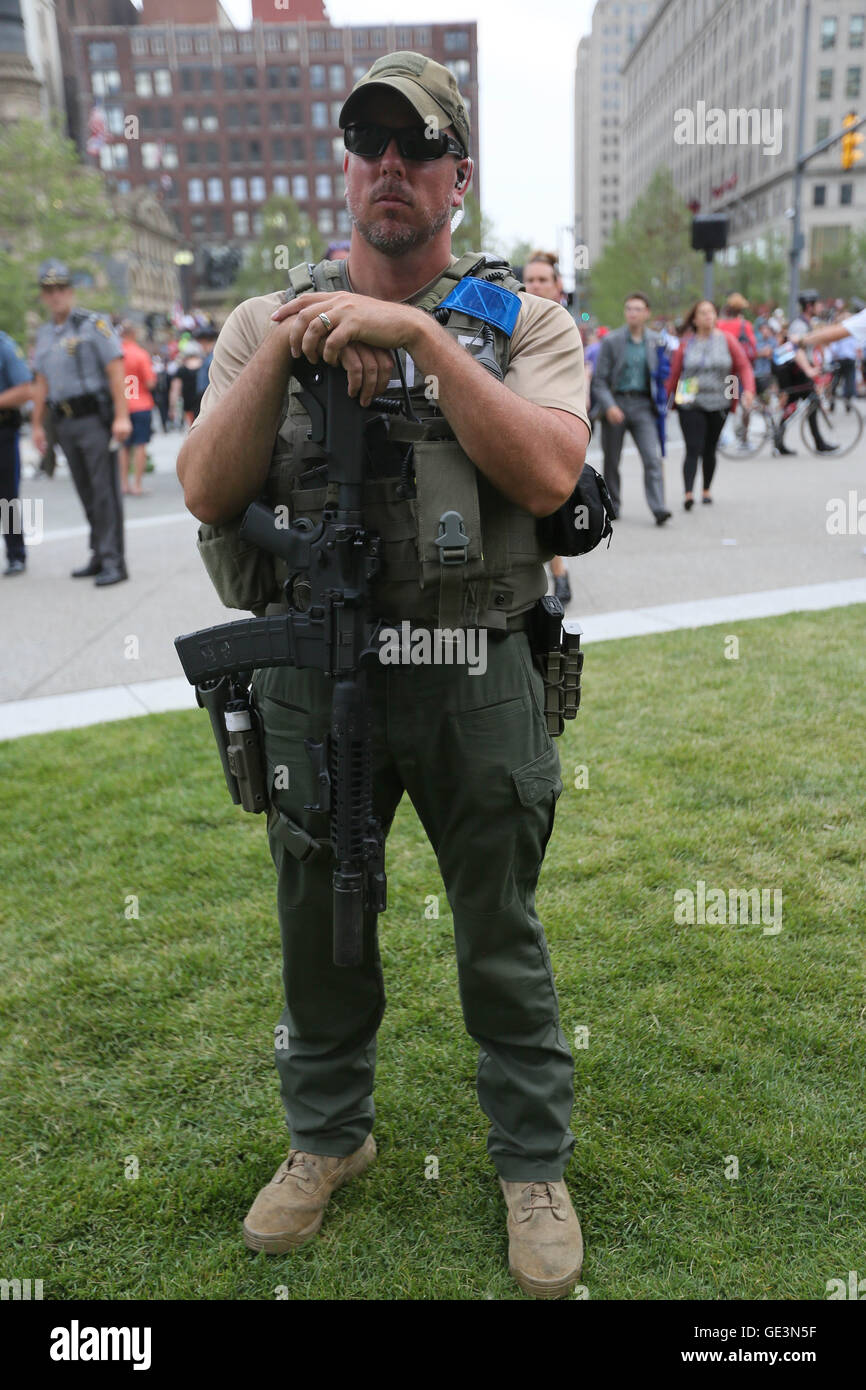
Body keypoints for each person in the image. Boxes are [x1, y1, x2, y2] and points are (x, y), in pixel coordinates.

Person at [177, 50, 591, 1300]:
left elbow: (548, 477)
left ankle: (530, 1160)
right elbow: (206, 487)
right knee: (319, 928)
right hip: (317, 669)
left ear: (456, 175)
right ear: (344, 169)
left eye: (415, 147)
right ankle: (327, 1136)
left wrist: (414, 335)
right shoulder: (264, 321)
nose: (389, 167)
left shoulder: (527, 322)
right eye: (368, 146)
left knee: (499, 933)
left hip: (474, 672)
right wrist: (297, 348)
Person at [30, 260, 130, 585]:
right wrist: (36, 425)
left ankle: (114, 561)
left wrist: (122, 415)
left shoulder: (92, 324)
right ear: (43, 296)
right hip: (62, 422)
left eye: (60, 288)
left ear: (70, 291)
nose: (55, 295)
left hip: (93, 419)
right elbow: (41, 383)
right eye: (49, 290)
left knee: (104, 492)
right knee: (86, 491)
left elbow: (116, 369)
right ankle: (99, 554)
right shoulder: (44, 334)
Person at [592, 292, 672, 525]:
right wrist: (609, 406)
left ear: (647, 313)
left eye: (638, 309)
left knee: (652, 458)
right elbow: (599, 380)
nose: (633, 313)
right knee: (612, 460)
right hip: (616, 403)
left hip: (643, 405)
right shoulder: (611, 341)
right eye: (629, 308)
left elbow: (662, 376)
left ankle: (659, 508)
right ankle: (613, 504)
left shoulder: (657, 341)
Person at [665, 299, 755, 506]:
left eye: (711, 312)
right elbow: (674, 375)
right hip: (689, 399)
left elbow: (744, 367)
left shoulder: (728, 340)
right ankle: (688, 493)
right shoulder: (686, 344)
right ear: (694, 319)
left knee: (709, 447)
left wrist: (748, 390)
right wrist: (663, 403)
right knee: (693, 446)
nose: (708, 316)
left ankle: (706, 489)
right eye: (703, 313)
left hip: (719, 400)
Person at [522, 250, 573, 604]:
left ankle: (559, 570)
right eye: (530, 279)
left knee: (552, 500)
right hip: (517, 424)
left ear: (558, 287)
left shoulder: (564, 324)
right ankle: (553, 570)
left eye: (543, 280)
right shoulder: (511, 319)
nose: (536, 286)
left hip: (556, 425)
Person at [769, 320, 838, 455]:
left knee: (798, 405)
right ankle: (818, 443)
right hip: (792, 374)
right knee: (804, 404)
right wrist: (808, 370)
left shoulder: (801, 326)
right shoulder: (798, 328)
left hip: (793, 374)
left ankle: (780, 442)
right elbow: (796, 350)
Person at [0, 329, 34, 576]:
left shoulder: (4, 345)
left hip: (3, 431)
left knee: (7, 499)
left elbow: (25, 390)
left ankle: (16, 554)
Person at [118, 322, 156, 496]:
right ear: (133, 334)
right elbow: (150, 382)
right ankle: (137, 485)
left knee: (123, 446)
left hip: (122, 406)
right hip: (141, 404)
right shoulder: (140, 354)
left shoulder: (116, 355)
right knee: (140, 444)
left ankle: (123, 484)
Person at [170, 342, 205, 428]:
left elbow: (175, 390)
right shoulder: (205, 366)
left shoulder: (181, 370)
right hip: (205, 403)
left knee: (193, 428)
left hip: (188, 406)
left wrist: (172, 407)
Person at [717, 292, 757, 362]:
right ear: (741, 309)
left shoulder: (718, 324)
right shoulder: (745, 325)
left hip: (721, 362)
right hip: (739, 364)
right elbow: (753, 347)